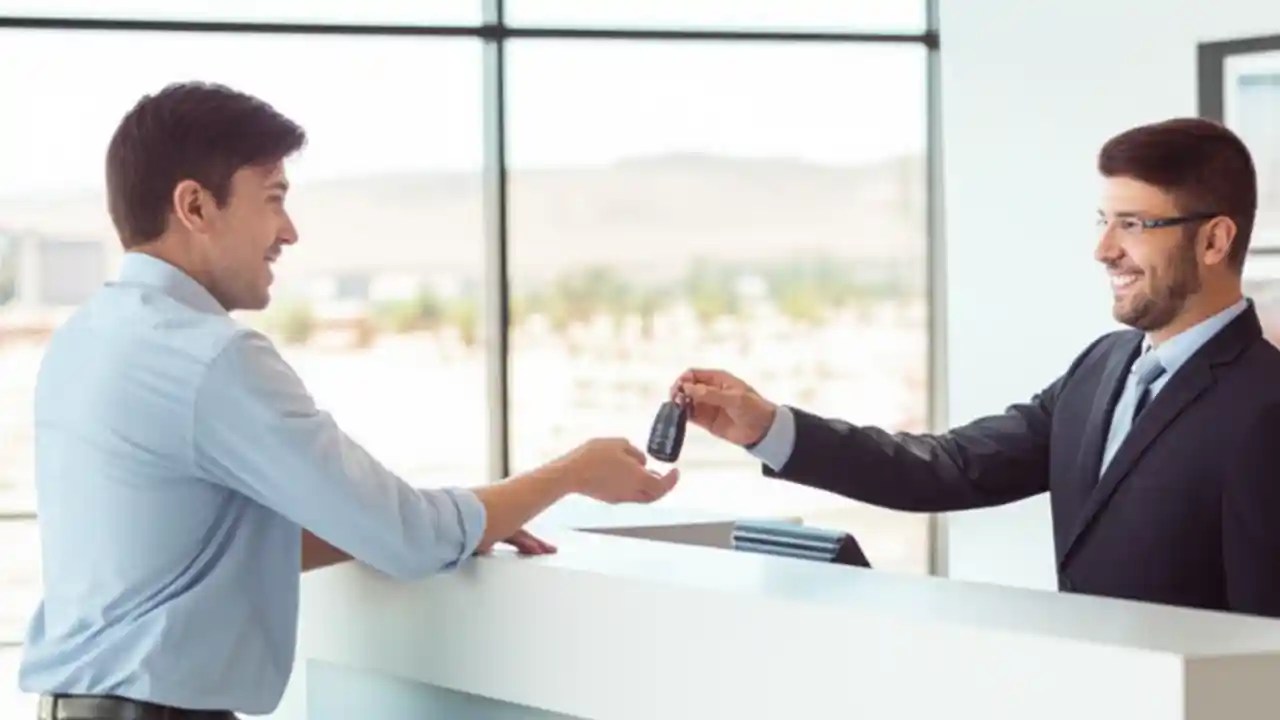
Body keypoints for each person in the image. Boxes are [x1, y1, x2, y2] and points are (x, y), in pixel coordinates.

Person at [19, 81, 678, 720]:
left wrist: (466, 523)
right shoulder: (211, 358)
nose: (289, 231)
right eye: (273, 197)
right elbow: (407, 537)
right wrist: (570, 474)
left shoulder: (88, 337)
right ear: (195, 207)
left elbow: (195, 546)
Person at [673, 117, 1280, 618]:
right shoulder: (1102, 367)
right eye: (1104, 221)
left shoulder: (1266, 404)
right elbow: (947, 468)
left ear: (1213, 241)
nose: (1104, 249)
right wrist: (767, 428)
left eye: (1133, 224)